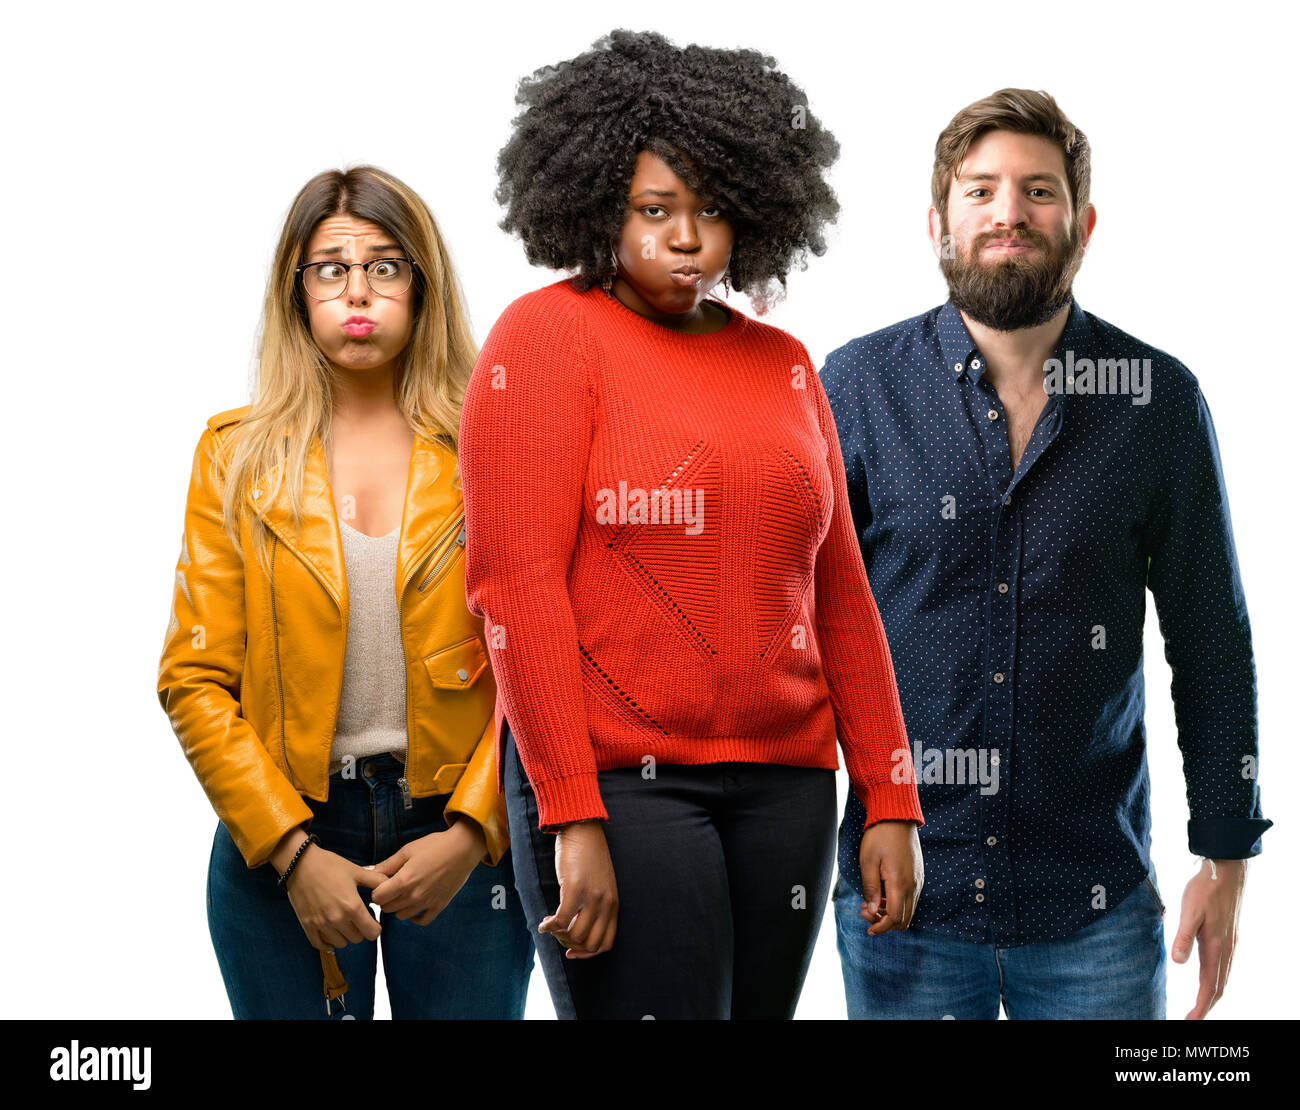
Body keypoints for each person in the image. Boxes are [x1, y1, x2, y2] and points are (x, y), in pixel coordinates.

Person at [457, 29, 924, 1020]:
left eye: (711, 213)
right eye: (654, 210)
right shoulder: (543, 339)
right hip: (622, 786)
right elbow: (515, 584)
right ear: (595, 205)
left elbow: (837, 591)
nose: (685, 241)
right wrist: (567, 813)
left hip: (787, 793)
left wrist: (891, 797)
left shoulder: (786, 362)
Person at [824, 88, 1271, 1020]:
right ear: (938, 221)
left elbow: (1211, 641)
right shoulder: (857, 387)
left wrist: (1225, 859)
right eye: (980, 190)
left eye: (1038, 191)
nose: (1008, 214)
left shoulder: (1156, 401)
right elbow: (796, 624)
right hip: (902, 895)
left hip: (1095, 911)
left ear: (1082, 223)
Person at [157, 165, 534, 1019]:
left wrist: (474, 833)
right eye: (330, 268)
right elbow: (193, 679)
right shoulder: (233, 454)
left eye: (385, 266)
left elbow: (540, 665)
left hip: (463, 837)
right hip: (281, 836)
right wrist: (292, 853)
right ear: (297, 292)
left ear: (421, 286)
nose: (357, 291)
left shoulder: (498, 444)